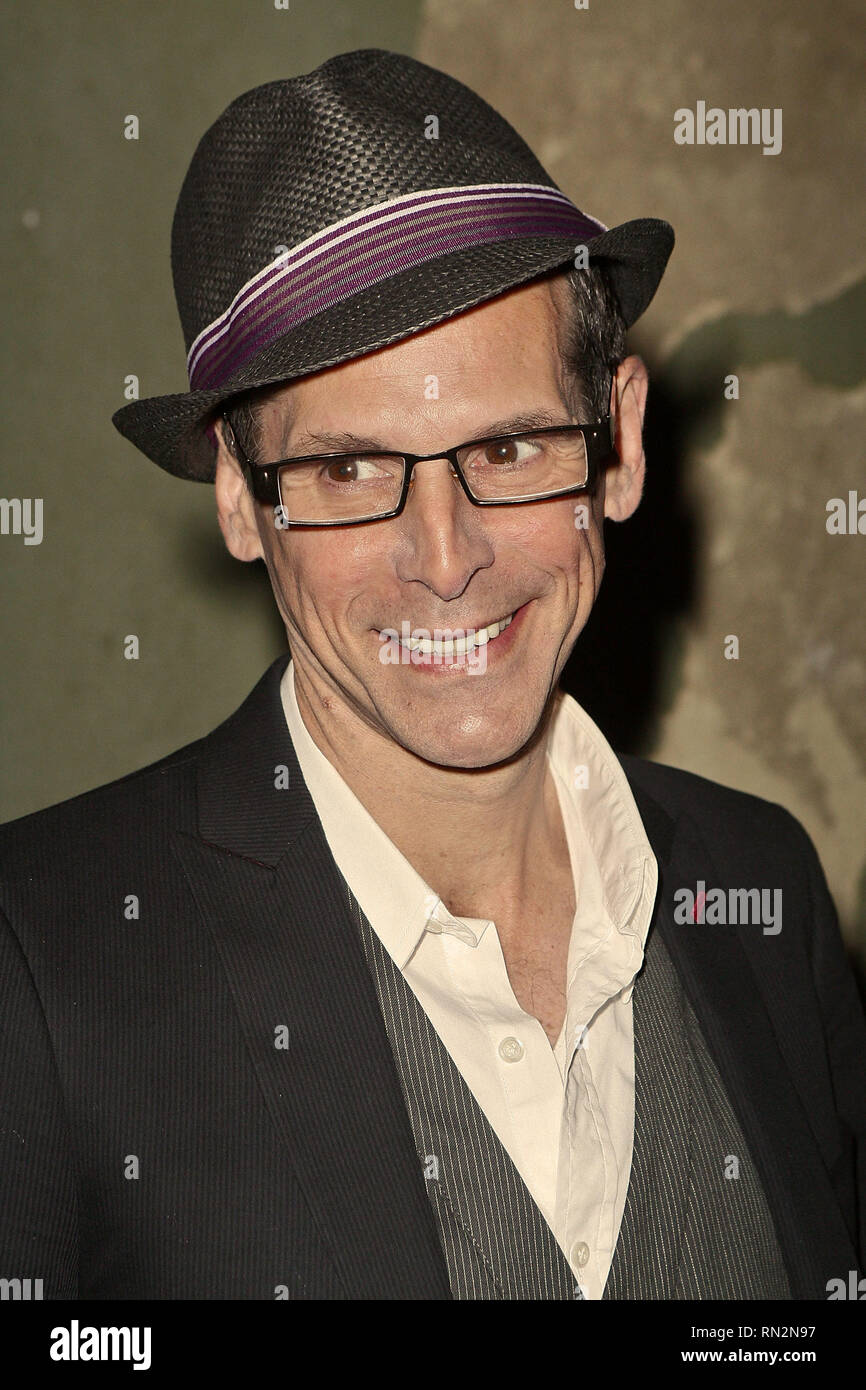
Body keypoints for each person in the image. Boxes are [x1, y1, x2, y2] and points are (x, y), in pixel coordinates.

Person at [1, 49, 863, 1301]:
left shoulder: (761, 884)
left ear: (616, 441)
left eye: (508, 446)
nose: (445, 559)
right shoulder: (40, 956)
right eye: (349, 471)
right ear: (243, 499)